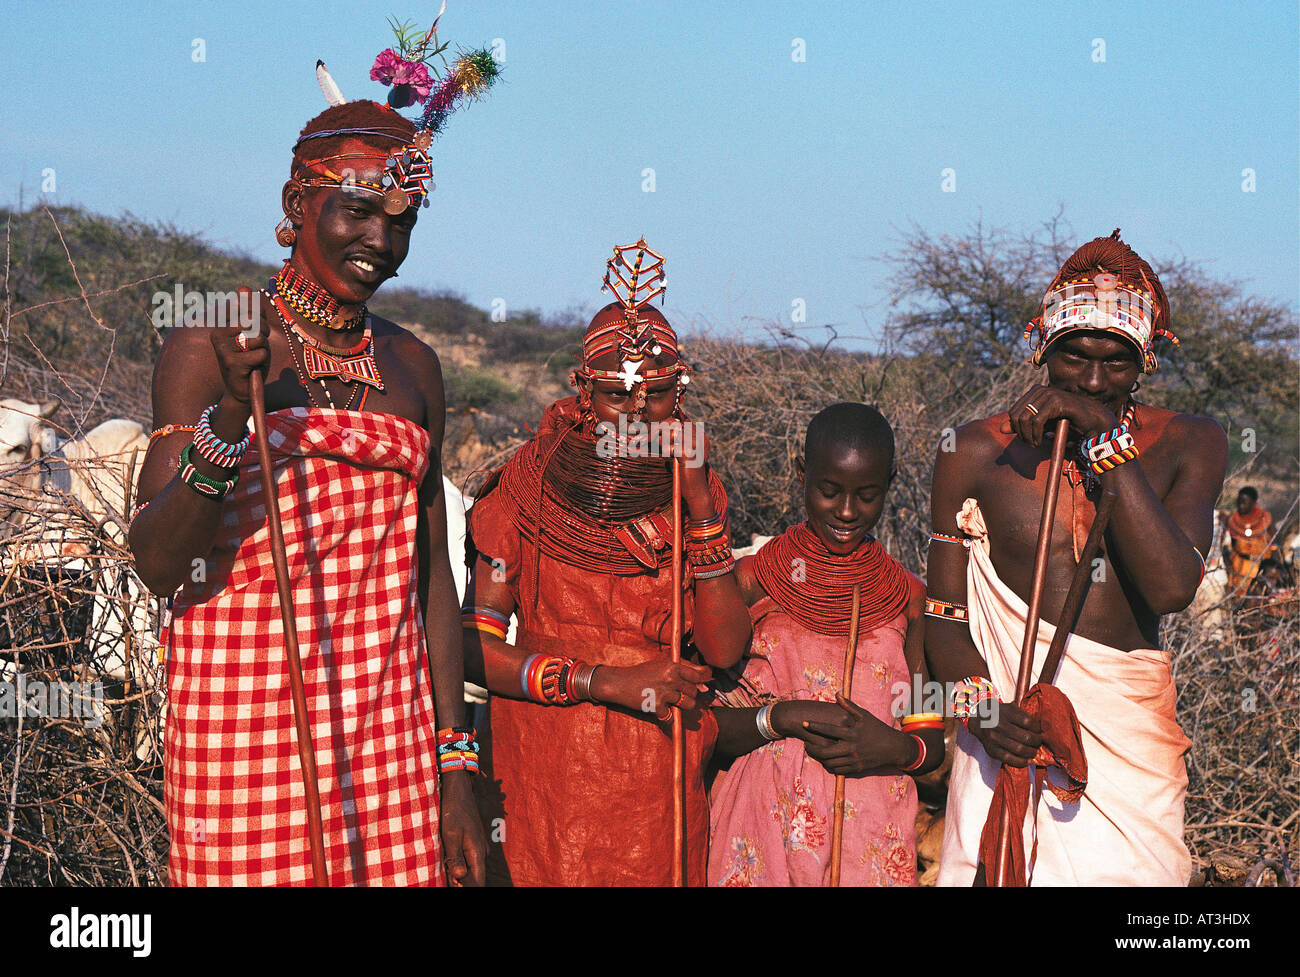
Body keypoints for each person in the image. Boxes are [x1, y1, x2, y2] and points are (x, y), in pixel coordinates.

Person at [128, 46, 495, 885]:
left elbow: (431, 579)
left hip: (389, 741)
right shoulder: (212, 337)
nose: (381, 240)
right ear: (298, 202)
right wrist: (229, 414)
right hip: (245, 733)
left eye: (402, 220)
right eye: (359, 210)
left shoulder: (415, 367)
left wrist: (455, 765)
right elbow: (155, 562)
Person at [927, 231, 1227, 886]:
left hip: (1126, 753)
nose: (1093, 381)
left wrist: (1105, 444)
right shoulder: (975, 452)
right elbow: (944, 619)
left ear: (1145, 359)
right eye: (1074, 359)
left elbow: (1173, 585)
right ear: (1044, 348)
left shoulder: (1189, 441)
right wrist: (984, 710)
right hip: (1000, 738)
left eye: (1114, 363)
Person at [460, 240, 751, 885]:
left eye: (655, 394)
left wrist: (701, 505)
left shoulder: (692, 496)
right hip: (542, 764)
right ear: (582, 389)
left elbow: (726, 650)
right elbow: (473, 649)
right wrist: (599, 681)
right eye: (618, 394)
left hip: (658, 771)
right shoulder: (523, 490)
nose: (637, 413)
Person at [708, 403, 939, 887]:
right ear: (801, 473)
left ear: (891, 482)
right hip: (761, 828)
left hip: (872, 832)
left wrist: (893, 746)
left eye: (868, 495)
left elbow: (930, 742)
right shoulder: (750, 582)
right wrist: (781, 718)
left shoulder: (910, 600)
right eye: (829, 491)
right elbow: (702, 724)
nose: (848, 511)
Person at [1224, 487, 1275, 596]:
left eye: (1245, 502)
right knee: (1238, 600)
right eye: (1239, 502)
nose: (1241, 505)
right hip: (1239, 570)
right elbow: (1229, 546)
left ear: (1254, 503)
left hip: (1261, 568)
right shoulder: (1233, 521)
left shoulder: (1265, 519)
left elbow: (1274, 545)